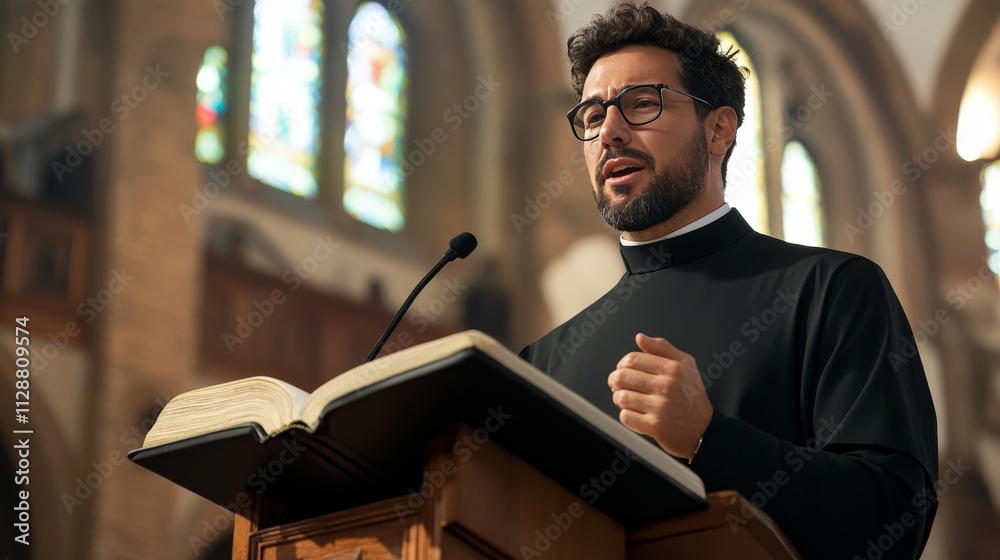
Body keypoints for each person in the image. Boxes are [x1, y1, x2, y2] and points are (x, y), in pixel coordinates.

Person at [519, 3, 938, 558]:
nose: (609, 133)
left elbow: (893, 515)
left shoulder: (831, 291)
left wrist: (709, 439)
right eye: (593, 117)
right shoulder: (541, 363)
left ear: (718, 130)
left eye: (640, 104)